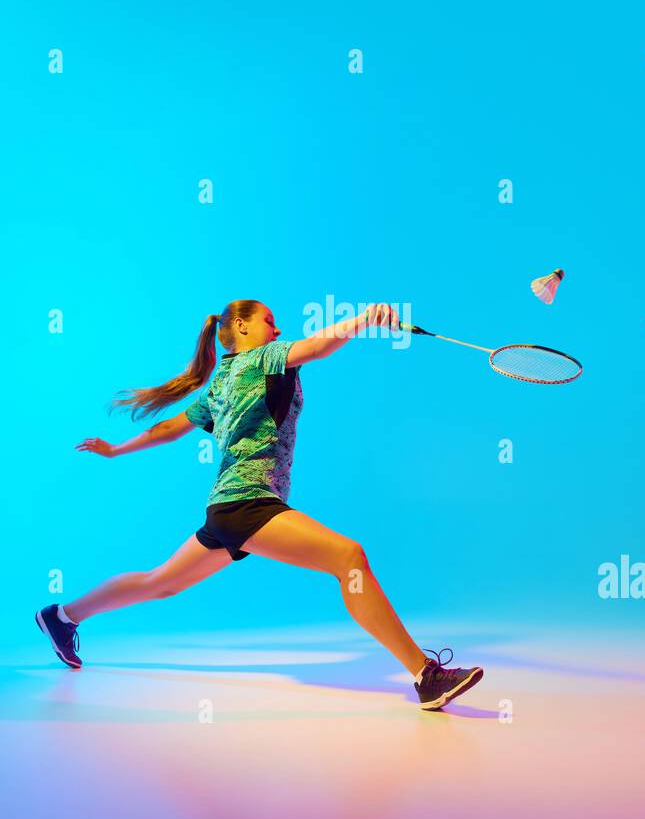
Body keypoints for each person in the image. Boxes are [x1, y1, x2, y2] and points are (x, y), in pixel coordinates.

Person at [35, 300, 484, 711]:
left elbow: (171, 428)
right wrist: (364, 319)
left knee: (160, 583)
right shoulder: (262, 358)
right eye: (270, 321)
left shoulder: (221, 381)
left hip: (228, 507)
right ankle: (426, 676)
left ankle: (62, 616)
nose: (278, 329)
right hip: (249, 503)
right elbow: (318, 346)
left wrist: (117, 450)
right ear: (241, 326)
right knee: (349, 558)